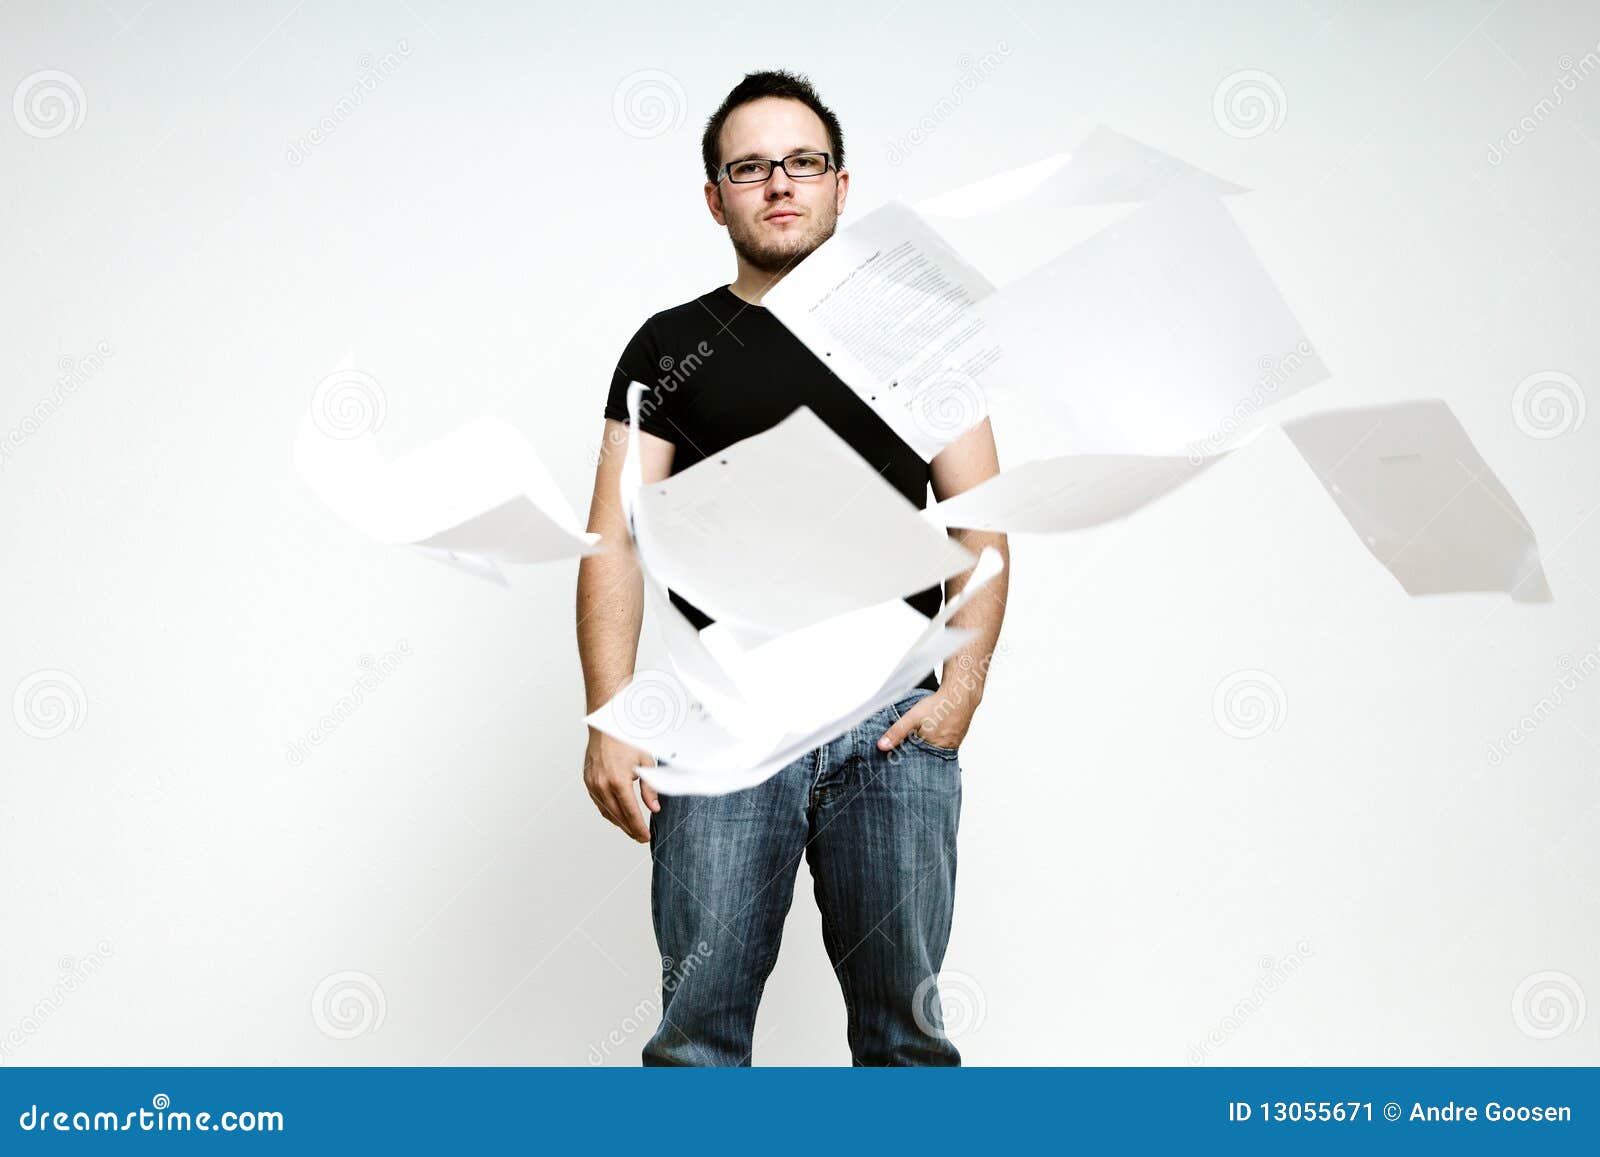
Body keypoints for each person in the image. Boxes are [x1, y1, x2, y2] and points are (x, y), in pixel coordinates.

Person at [575, 69, 1009, 1066]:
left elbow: (984, 529)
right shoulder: (667, 346)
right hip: (724, 711)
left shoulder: (919, 327)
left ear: (841, 184)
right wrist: (609, 715)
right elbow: (614, 539)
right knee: (696, 1041)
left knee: (906, 1039)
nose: (780, 183)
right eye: (750, 166)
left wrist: (961, 691)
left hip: (890, 718)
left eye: (803, 161)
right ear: (715, 195)